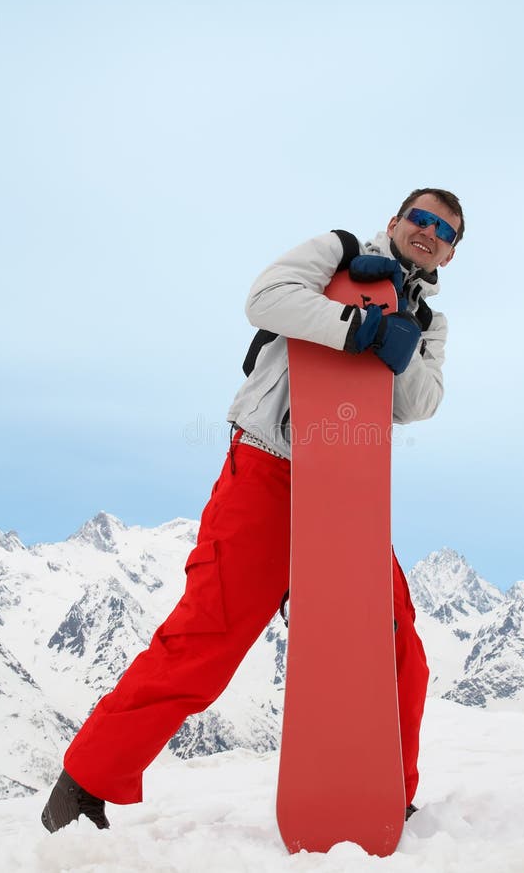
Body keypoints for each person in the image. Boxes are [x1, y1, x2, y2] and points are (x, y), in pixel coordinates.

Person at [41, 187, 465, 834]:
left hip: (346, 487)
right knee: (206, 637)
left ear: (452, 253)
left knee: (394, 644)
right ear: (395, 222)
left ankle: (386, 793)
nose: (430, 231)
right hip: (266, 467)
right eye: (422, 218)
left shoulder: (430, 321)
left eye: (446, 230)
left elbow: (417, 404)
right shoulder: (337, 253)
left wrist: (399, 338)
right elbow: (264, 299)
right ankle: (86, 782)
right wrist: (360, 326)